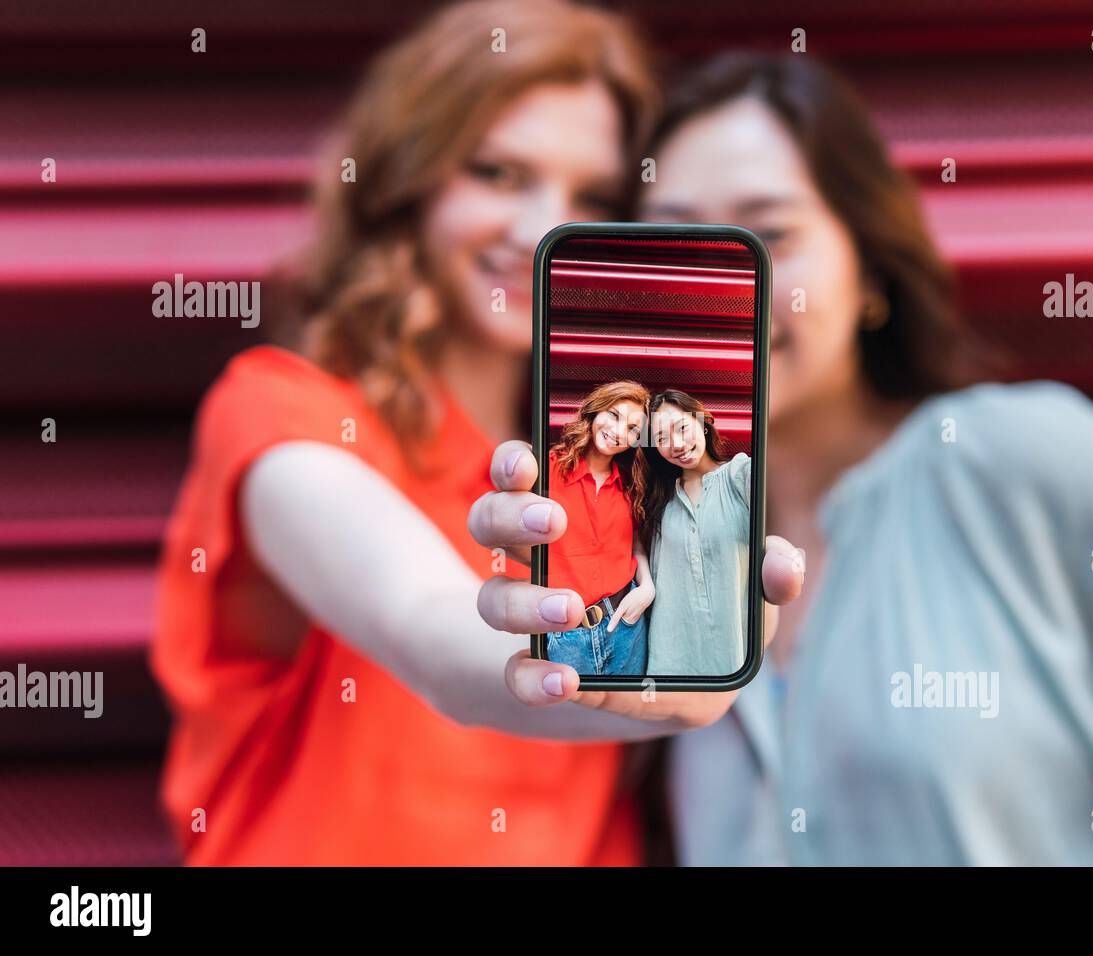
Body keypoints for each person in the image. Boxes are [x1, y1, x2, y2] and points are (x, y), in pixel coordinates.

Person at [476, 52, 1093, 866]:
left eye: (769, 235)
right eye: (674, 243)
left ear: (868, 267)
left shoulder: (1012, 462)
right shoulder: (653, 528)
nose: (722, 290)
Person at [149, 0, 804, 866]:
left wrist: (684, 673)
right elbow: (423, 622)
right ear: (411, 180)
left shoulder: (631, 449)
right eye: (498, 173)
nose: (540, 228)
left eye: (593, 197)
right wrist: (591, 674)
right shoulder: (282, 409)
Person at [544, 381, 654, 676]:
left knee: (628, 706)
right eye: (614, 415)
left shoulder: (631, 484)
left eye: (632, 429)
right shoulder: (547, 468)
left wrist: (647, 587)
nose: (618, 431)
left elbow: (634, 543)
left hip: (627, 625)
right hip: (566, 635)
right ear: (595, 411)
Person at [641, 390, 752, 677]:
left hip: (738, 661)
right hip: (670, 666)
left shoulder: (741, 474)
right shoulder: (660, 501)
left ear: (702, 423)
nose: (677, 444)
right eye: (662, 438)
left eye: (681, 428)